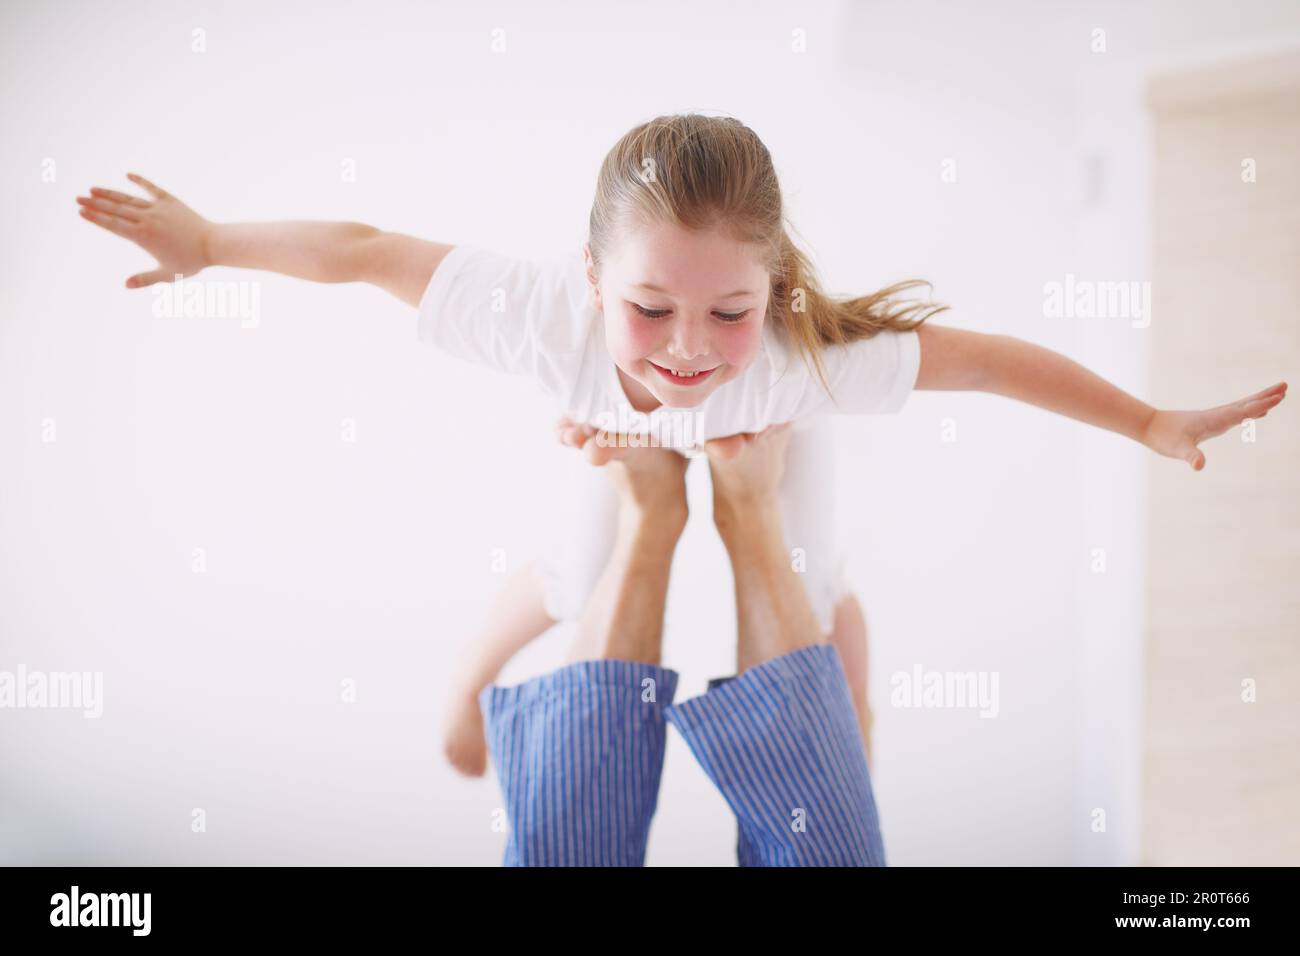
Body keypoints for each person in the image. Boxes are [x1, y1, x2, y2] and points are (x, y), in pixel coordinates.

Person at [481, 423, 886, 866]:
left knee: (815, 593)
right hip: (668, 418)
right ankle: (689, 510)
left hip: (741, 417)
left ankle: (670, 511)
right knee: (577, 581)